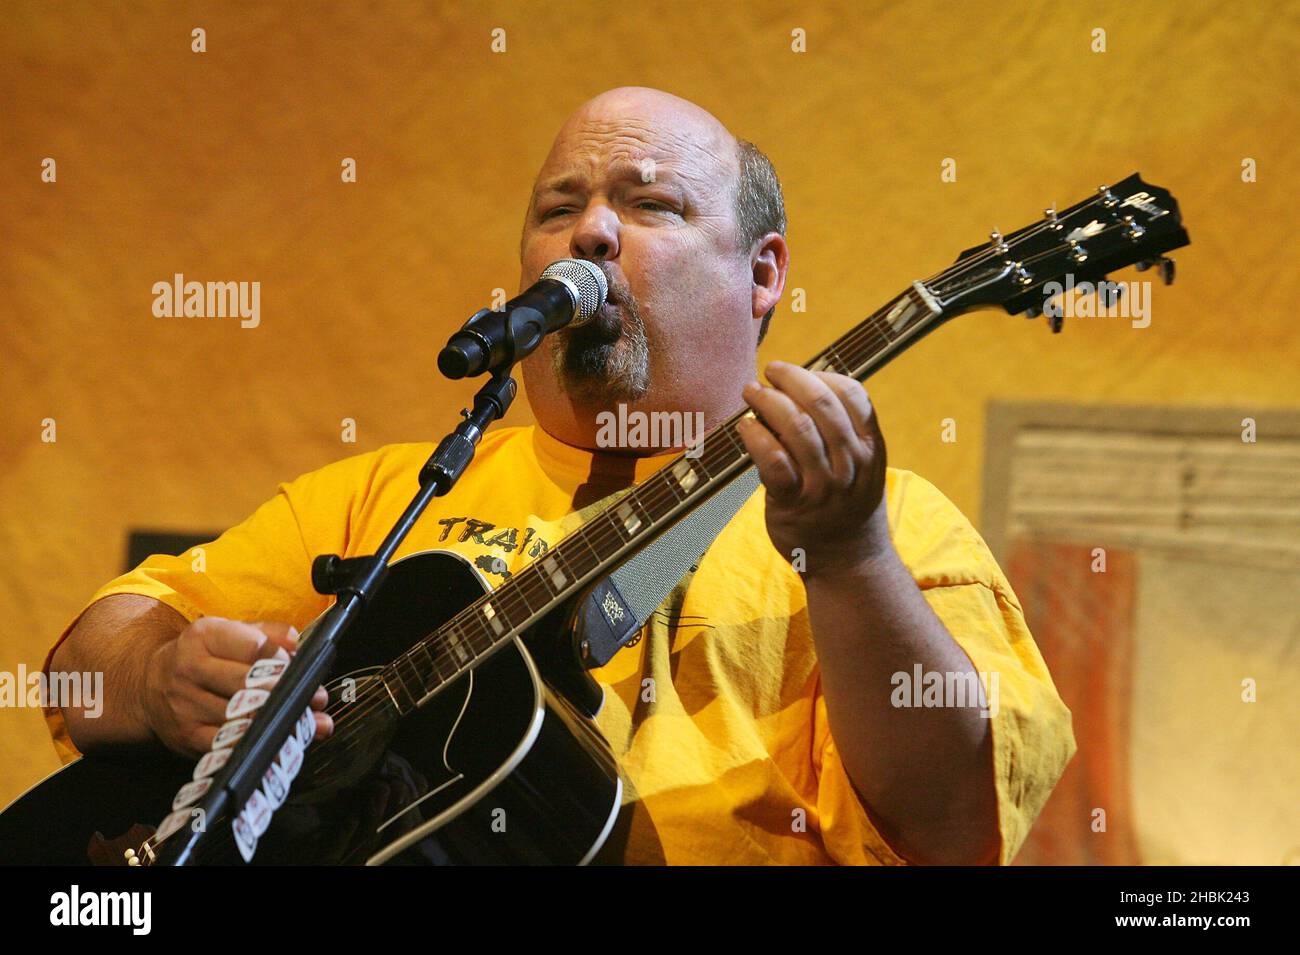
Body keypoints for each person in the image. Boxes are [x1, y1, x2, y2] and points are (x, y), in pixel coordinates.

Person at [44, 86, 1076, 865]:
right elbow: (86, 665)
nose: (590, 231)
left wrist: (848, 557)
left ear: (762, 274)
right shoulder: (398, 493)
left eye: (652, 204)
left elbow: (955, 826)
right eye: (559, 208)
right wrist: (155, 676)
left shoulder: (881, 518)